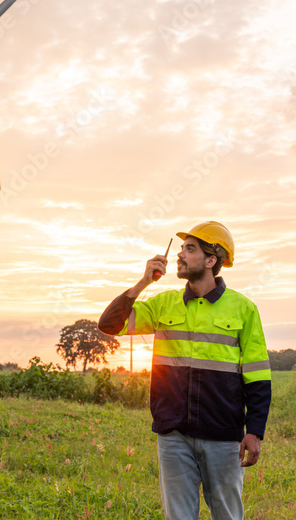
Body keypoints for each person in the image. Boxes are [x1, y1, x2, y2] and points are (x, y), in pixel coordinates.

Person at [98, 221, 271, 520]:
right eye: (181, 249)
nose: (180, 255)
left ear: (211, 260)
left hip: (223, 435)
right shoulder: (163, 304)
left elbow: (257, 375)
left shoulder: (243, 309)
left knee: (228, 516)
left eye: (190, 249)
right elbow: (109, 325)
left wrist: (254, 431)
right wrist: (142, 283)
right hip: (173, 434)